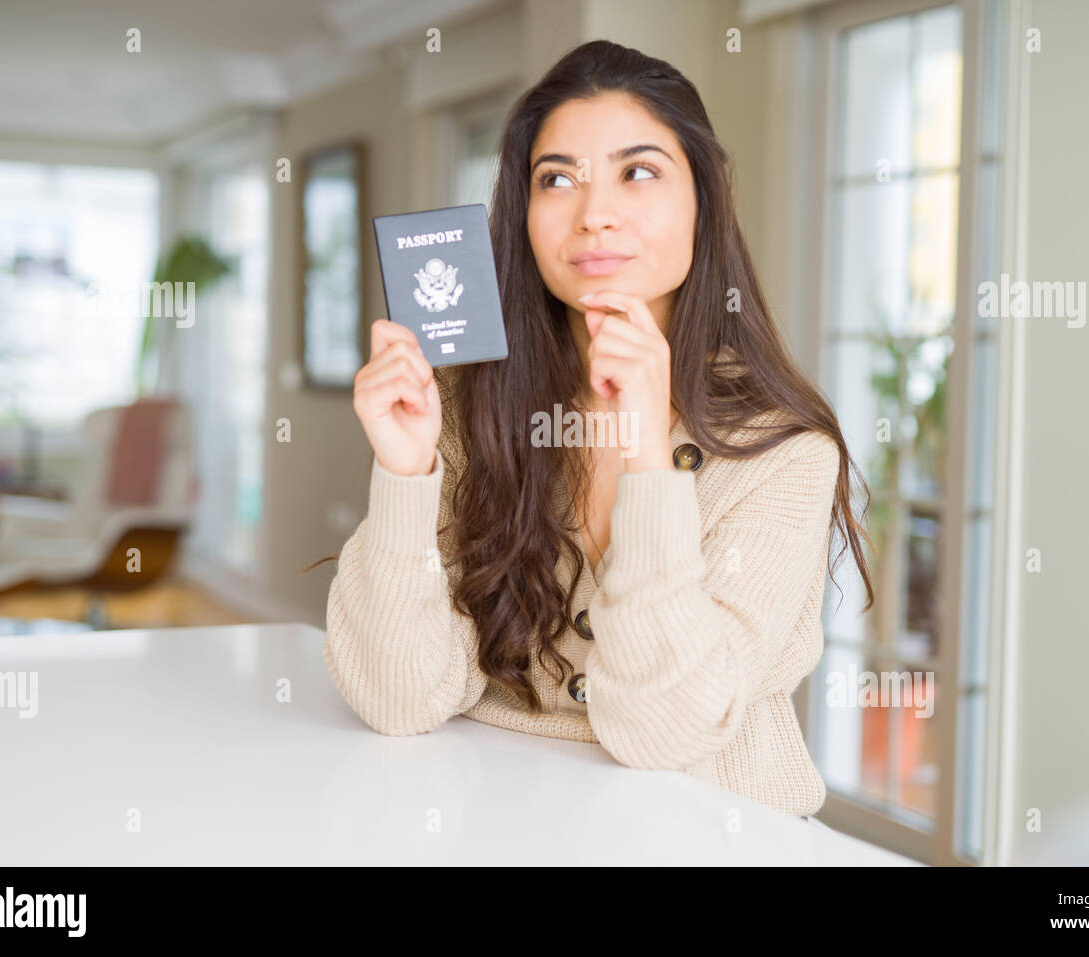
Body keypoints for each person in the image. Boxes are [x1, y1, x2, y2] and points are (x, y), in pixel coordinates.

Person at [309, 39, 874, 819]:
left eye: (638, 171)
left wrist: (647, 463)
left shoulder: (783, 455)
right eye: (556, 179)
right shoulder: (468, 410)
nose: (593, 214)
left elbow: (661, 730)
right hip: (497, 824)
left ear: (703, 199)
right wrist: (406, 475)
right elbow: (398, 697)